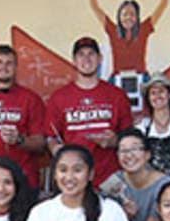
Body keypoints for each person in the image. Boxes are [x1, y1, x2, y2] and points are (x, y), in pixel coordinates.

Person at [45, 37, 133, 186]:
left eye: (91, 54)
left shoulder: (117, 95)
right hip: (73, 179)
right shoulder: (58, 97)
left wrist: (113, 141)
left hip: (110, 178)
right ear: (73, 60)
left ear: (100, 59)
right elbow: (50, 136)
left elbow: (129, 139)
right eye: (81, 55)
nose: (86, 59)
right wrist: (55, 148)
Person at [0, 45, 48, 191]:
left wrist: (19, 140)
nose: (4, 67)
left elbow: (41, 144)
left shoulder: (31, 99)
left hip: (23, 179)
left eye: (9, 63)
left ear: (16, 67)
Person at [81, 0, 170, 75]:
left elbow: (163, 5)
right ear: (119, 17)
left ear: (137, 18)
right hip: (118, 77)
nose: (128, 17)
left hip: (140, 76)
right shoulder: (112, 30)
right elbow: (95, 7)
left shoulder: (143, 29)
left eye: (132, 14)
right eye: (125, 14)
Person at [135, 73, 170, 180]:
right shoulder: (142, 127)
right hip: (151, 187)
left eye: (161, 91)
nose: (157, 96)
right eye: (153, 93)